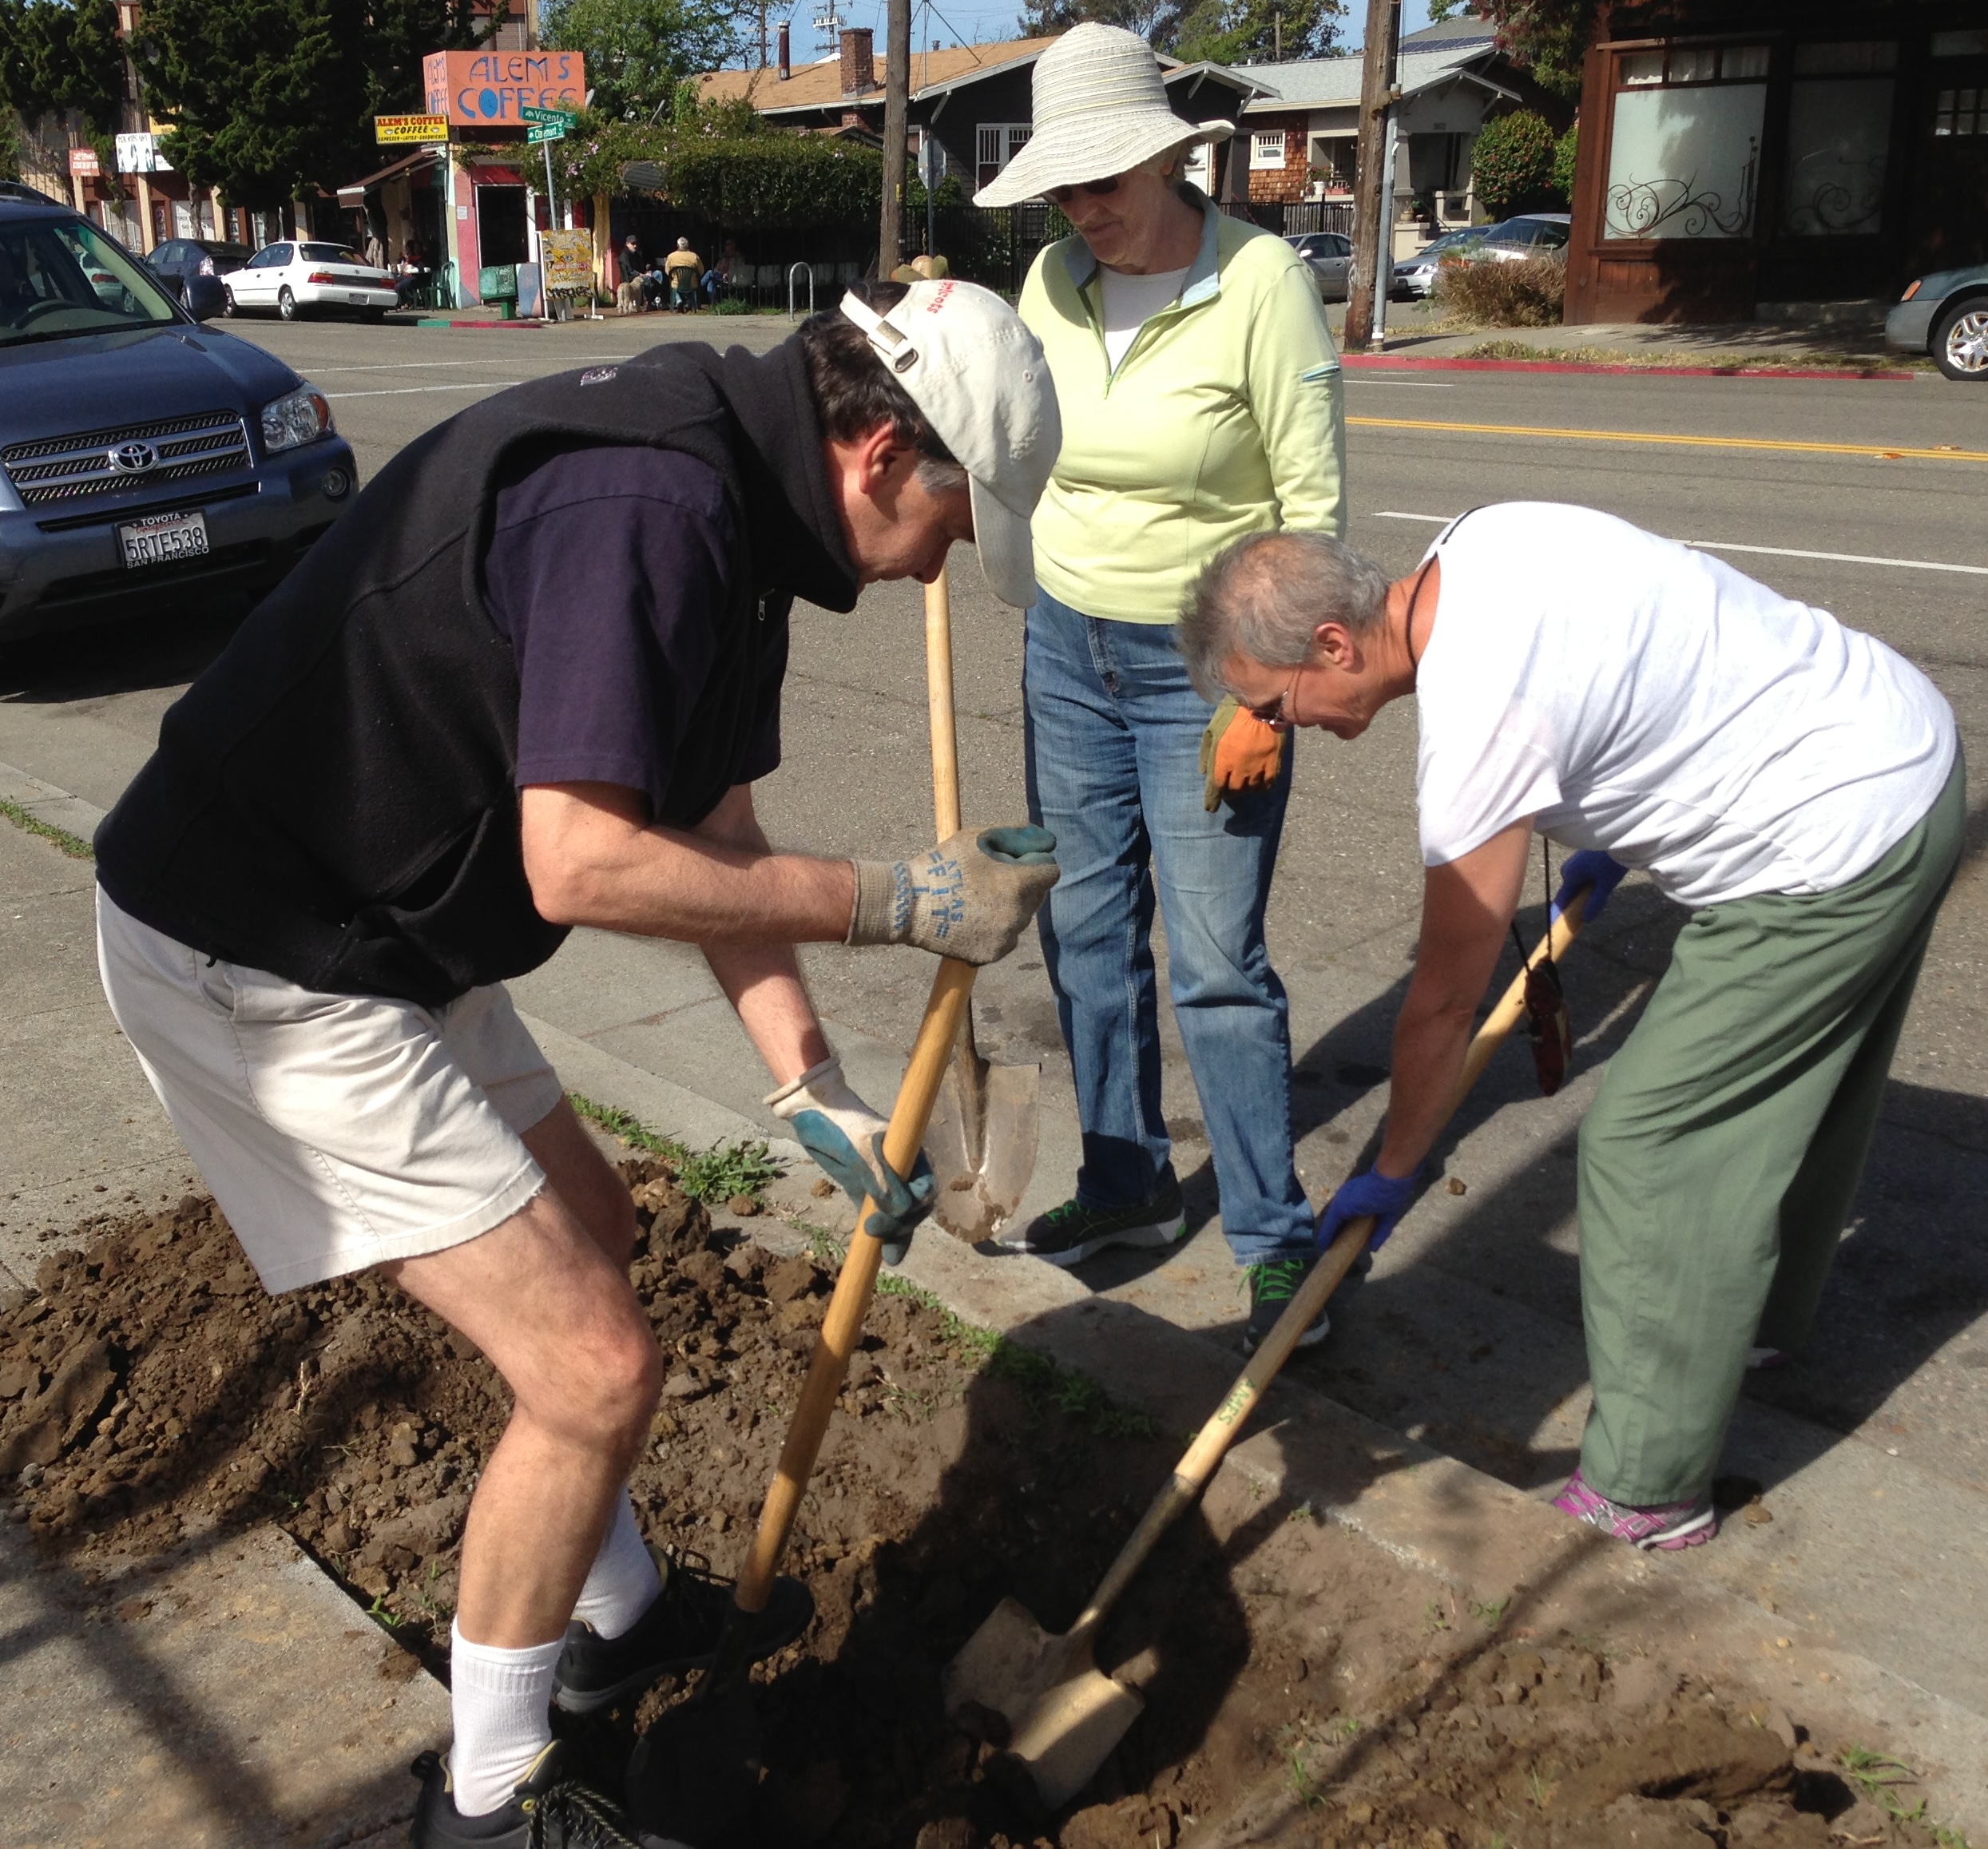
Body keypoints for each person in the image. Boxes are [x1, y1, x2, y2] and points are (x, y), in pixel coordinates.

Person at [93, 277, 1062, 1845]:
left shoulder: (740, 506)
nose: (954, 553)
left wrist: (806, 1083)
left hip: (387, 925)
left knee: (598, 1244)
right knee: (594, 1364)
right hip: (259, 951)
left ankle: (609, 1618)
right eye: (959, 513)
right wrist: (895, 898)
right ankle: (482, 1801)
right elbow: (583, 863)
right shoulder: (653, 501)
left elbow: (718, 836)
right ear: (883, 451)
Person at [1182, 502, 1962, 1550]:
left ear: (1332, 642)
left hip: (1827, 841)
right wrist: (1604, 818)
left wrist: (1395, 1167)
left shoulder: (1476, 728)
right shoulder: (1481, 537)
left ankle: (1647, 1488)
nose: (1285, 728)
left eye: (1277, 704)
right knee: (1802, 1080)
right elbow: (1644, 653)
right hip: (1901, 745)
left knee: (1648, 1146)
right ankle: (1751, 1318)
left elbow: (1443, 1004)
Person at [974, 22, 1347, 1354]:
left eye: (1103, 185)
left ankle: (1269, 1241)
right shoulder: (1046, 280)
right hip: (1065, 648)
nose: (1084, 212)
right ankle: (1124, 1184)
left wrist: (1262, 695)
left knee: (1215, 965)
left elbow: (1308, 513)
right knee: (1083, 937)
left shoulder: (1259, 284)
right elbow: (1009, 446)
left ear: (1169, 157)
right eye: (1063, 190)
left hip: (1206, 662)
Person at [665, 235, 702, 311]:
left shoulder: (671, 256)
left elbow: (667, 271)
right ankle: (690, 302)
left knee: (672, 284)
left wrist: (673, 276)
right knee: (692, 286)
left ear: (678, 245)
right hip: (692, 283)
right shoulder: (694, 256)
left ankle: (679, 301)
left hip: (677, 283)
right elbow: (701, 270)